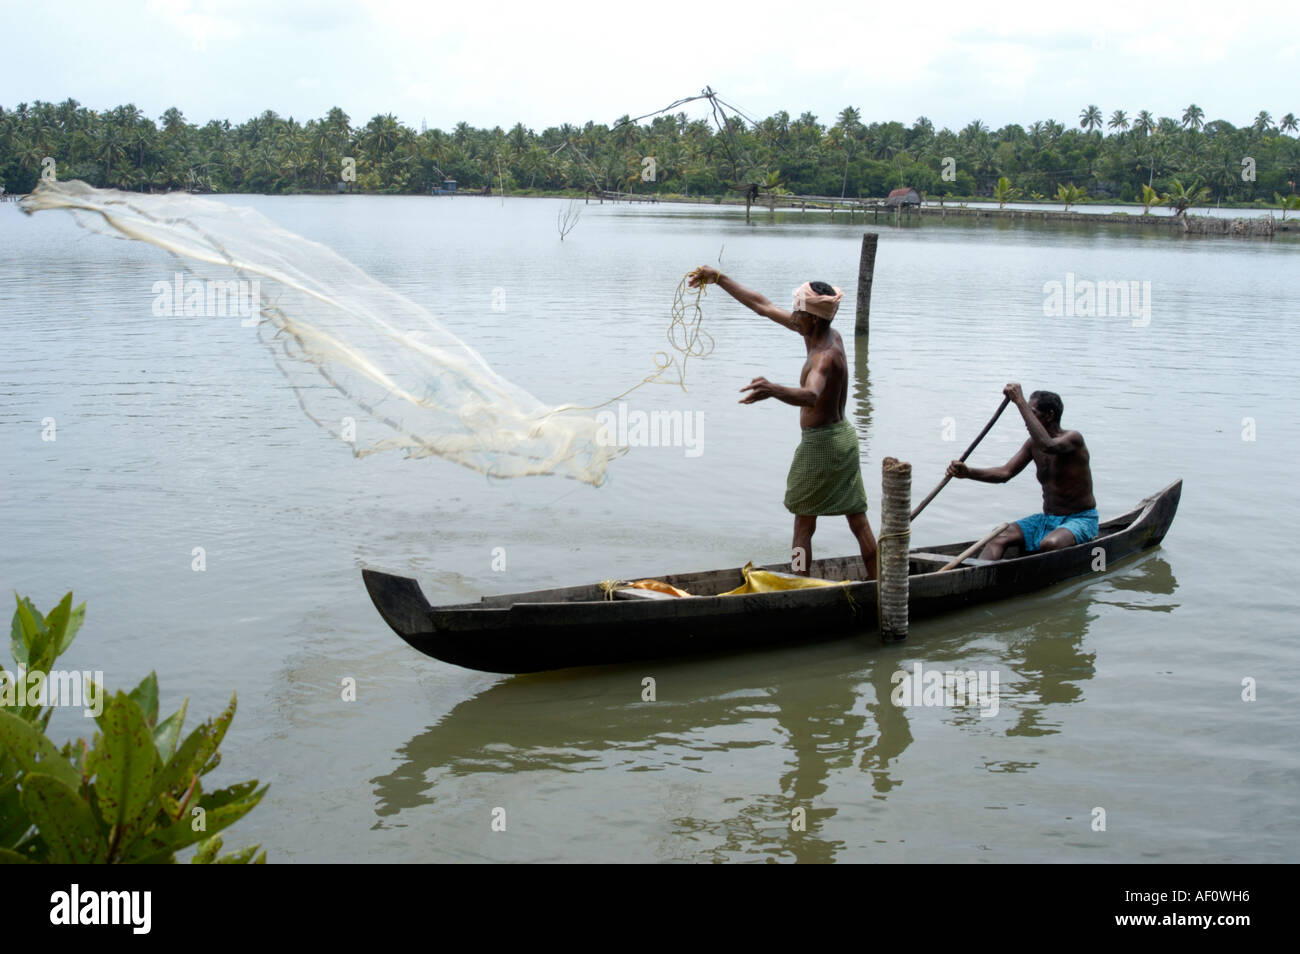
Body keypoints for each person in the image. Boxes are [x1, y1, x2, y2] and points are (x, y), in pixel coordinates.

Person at [687, 266, 877, 579]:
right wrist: (718, 278)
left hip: (822, 445)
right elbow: (761, 305)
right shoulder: (824, 334)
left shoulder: (824, 356)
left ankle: (799, 585)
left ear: (812, 318)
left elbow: (811, 395)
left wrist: (773, 389)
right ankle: (878, 584)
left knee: (803, 525)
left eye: (797, 312)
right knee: (858, 521)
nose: (792, 316)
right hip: (843, 438)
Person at [946, 384, 1098, 560]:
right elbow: (1005, 473)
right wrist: (968, 473)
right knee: (998, 536)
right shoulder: (1032, 444)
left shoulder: (1073, 439)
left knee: (1050, 544)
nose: (1026, 420)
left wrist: (1019, 401)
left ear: (1049, 416)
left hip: (1080, 519)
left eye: (1032, 413)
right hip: (1048, 519)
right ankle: (976, 578)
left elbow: (1048, 445)